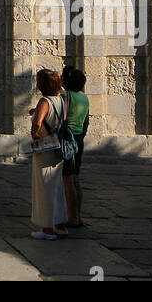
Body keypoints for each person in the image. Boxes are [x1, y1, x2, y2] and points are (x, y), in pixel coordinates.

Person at [29, 68, 69, 240]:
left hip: (45, 149)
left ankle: (48, 229)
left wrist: (35, 133)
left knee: (44, 189)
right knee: (57, 187)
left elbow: (37, 124)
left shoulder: (44, 101)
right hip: (58, 148)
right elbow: (61, 119)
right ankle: (60, 224)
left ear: (42, 84)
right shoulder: (62, 99)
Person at [61, 66, 90, 228]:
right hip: (78, 138)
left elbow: (61, 117)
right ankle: (78, 215)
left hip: (67, 140)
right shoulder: (84, 98)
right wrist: (80, 136)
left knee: (67, 179)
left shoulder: (66, 96)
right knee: (76, 179)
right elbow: (86, 121)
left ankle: (71, 217)